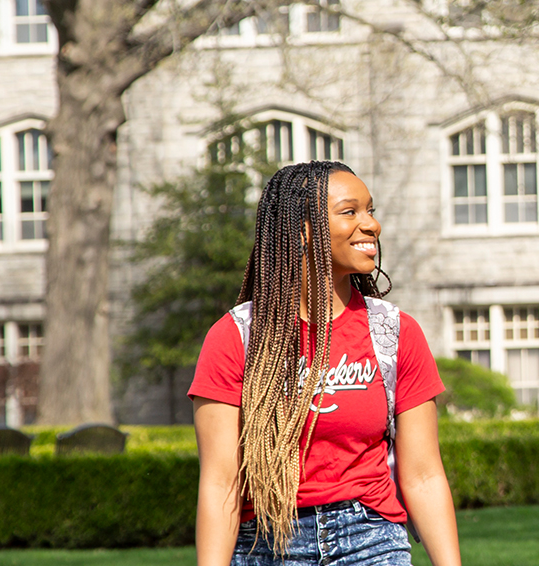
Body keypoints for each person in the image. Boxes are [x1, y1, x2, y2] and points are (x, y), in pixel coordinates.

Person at [190, 161, 462, 566]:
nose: (371, 225)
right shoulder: (236, 337)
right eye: (350, 212)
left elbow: (423, 475)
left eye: (370, 210)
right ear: (303, 230)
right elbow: (220, 482)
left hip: (371, 538)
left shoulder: (394, 331)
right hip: (269, 541)